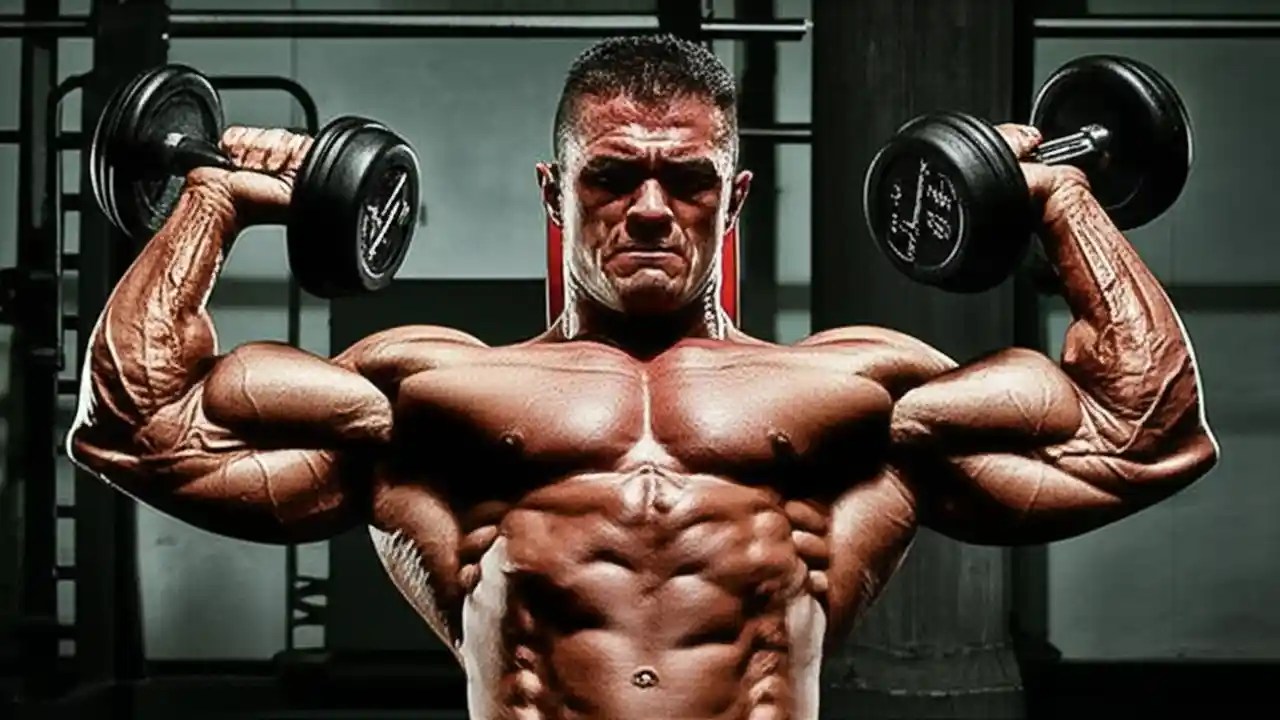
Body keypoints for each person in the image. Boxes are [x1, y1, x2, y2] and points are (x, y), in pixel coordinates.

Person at [68, 35, 1217, 720]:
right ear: (553, 191)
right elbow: (139, 429)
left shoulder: (858, 396)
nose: (653, 209)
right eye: (613, 176)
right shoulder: (426, 396)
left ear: (735, 196)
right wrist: (208, 201)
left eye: (691, 180)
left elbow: (1142, 433)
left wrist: (1063, 193)